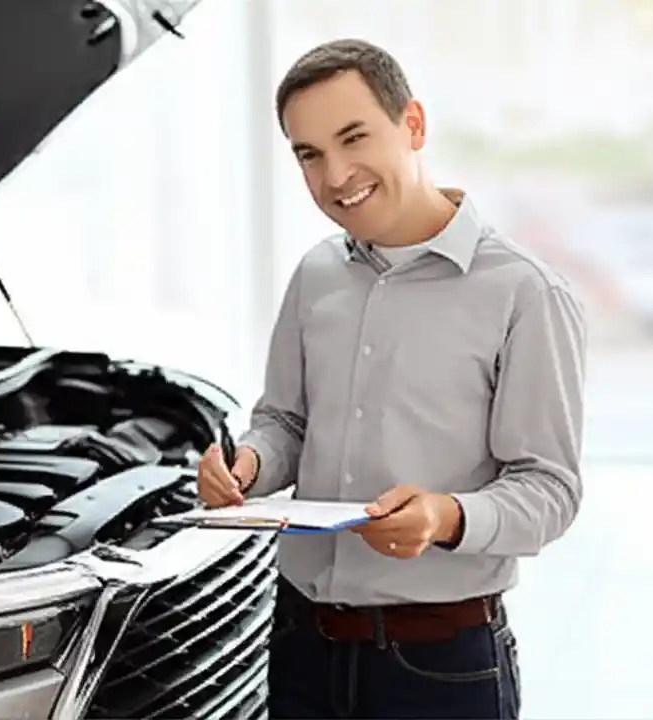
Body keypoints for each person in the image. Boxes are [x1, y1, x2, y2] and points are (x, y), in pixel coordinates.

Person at [196, 39, 586, 719]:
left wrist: (445, 516)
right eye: (309, 154)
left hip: (438, 666)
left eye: (354, 138)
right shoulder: (317, 273)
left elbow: (549, 489)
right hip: (299, 643)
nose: (336, 175)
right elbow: (285, 421)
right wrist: (249, 464)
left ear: (412, 126)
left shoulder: (525, 292)